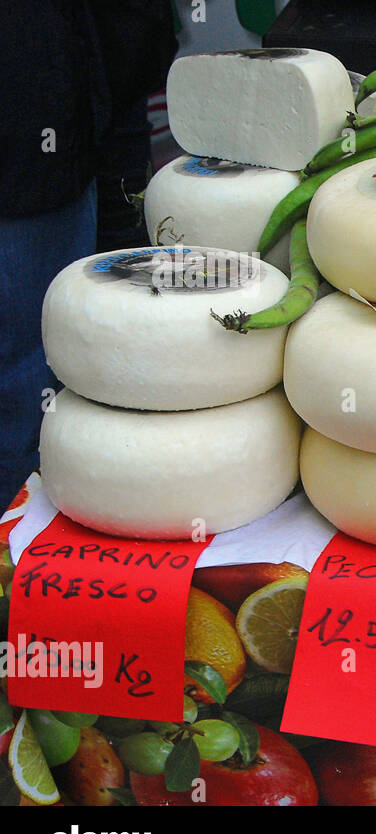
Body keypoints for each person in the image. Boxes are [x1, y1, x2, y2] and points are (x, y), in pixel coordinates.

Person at [0, 2, 175, 507]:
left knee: (43, 364)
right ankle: (16, 551)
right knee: (34, 367)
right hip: (29, 149)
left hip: (46, 138)